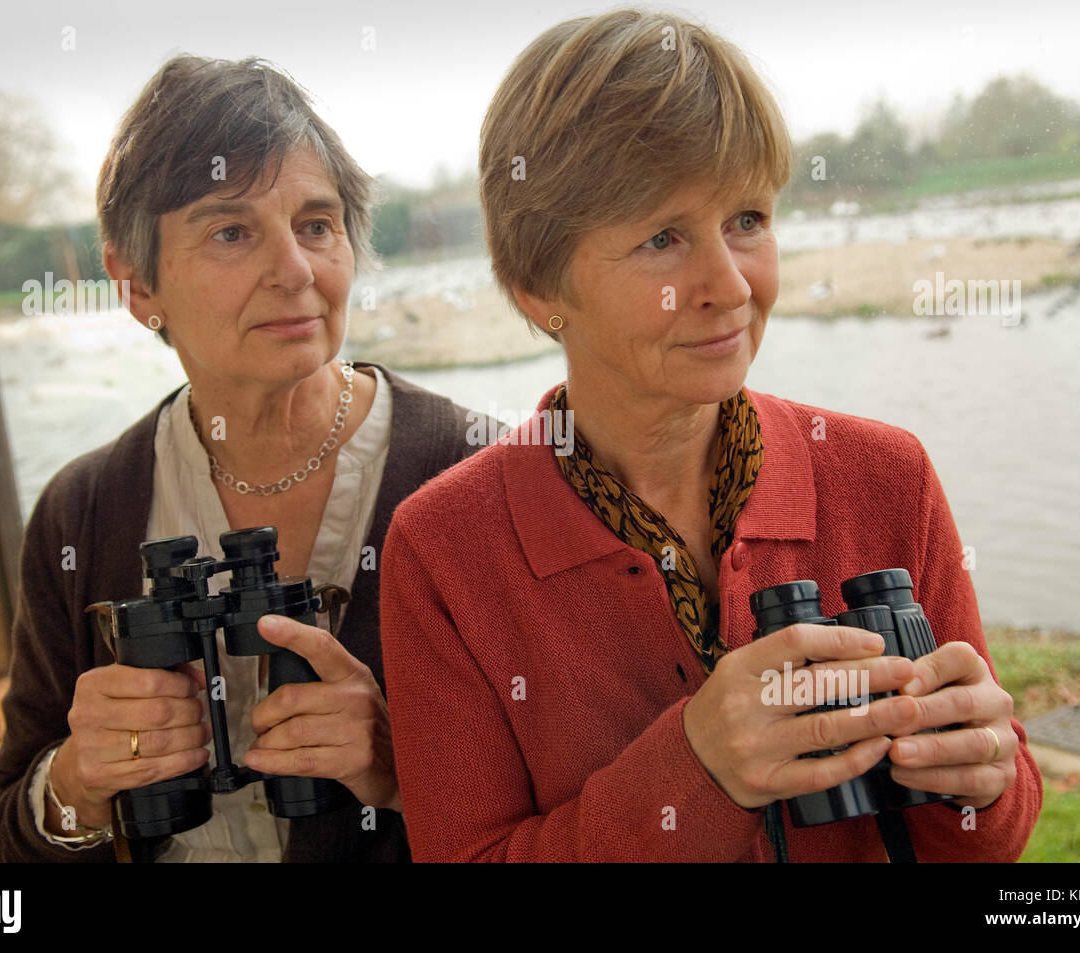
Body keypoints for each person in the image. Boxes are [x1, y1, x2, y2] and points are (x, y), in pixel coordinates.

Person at [379, 9, 1043, 861]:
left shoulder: (888, 474)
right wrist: (699, 768)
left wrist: (983, 782)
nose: (728, 285)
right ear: (534, 285)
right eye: (663, 238)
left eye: (749, 220)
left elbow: (988, 841)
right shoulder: (444, 551)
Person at [0, 55, 483, 862]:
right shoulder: (80, 512)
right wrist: (76, 785)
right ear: (136, 282)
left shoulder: (477, 470)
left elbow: (573, 814)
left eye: (316, 224)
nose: (294, 270)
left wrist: (404, 772)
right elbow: (12, 841)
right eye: (231, 231)